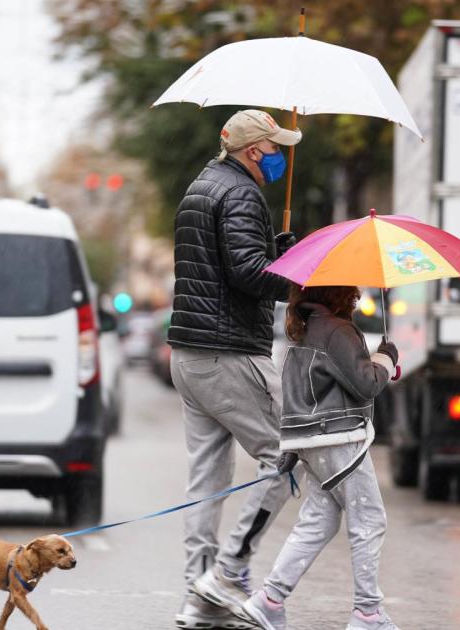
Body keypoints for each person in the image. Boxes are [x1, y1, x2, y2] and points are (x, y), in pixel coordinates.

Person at [169, 109, 303, 629]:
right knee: (287, 456)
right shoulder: (243, 193)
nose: (279, 157)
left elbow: (224, 264)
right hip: (228, 353)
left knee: (206, 479)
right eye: (274, 149)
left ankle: (198, 597)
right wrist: (292, 273)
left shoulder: (200, 187)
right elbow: (246, 273)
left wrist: (274, 253)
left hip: (190, 355)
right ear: (253, 151)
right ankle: (227, 575)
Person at [239, 285, 400, 630]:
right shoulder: (338, 331)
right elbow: (367, 384)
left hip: (312, 444)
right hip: (340, 440)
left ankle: (270, 599)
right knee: (369, 520)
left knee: (318, 521)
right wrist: (386, 359)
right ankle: (368, 613)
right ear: (339, 292)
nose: (357, 294)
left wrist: (290, 448)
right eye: (352, 289)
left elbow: (295, 395)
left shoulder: (305, 330)